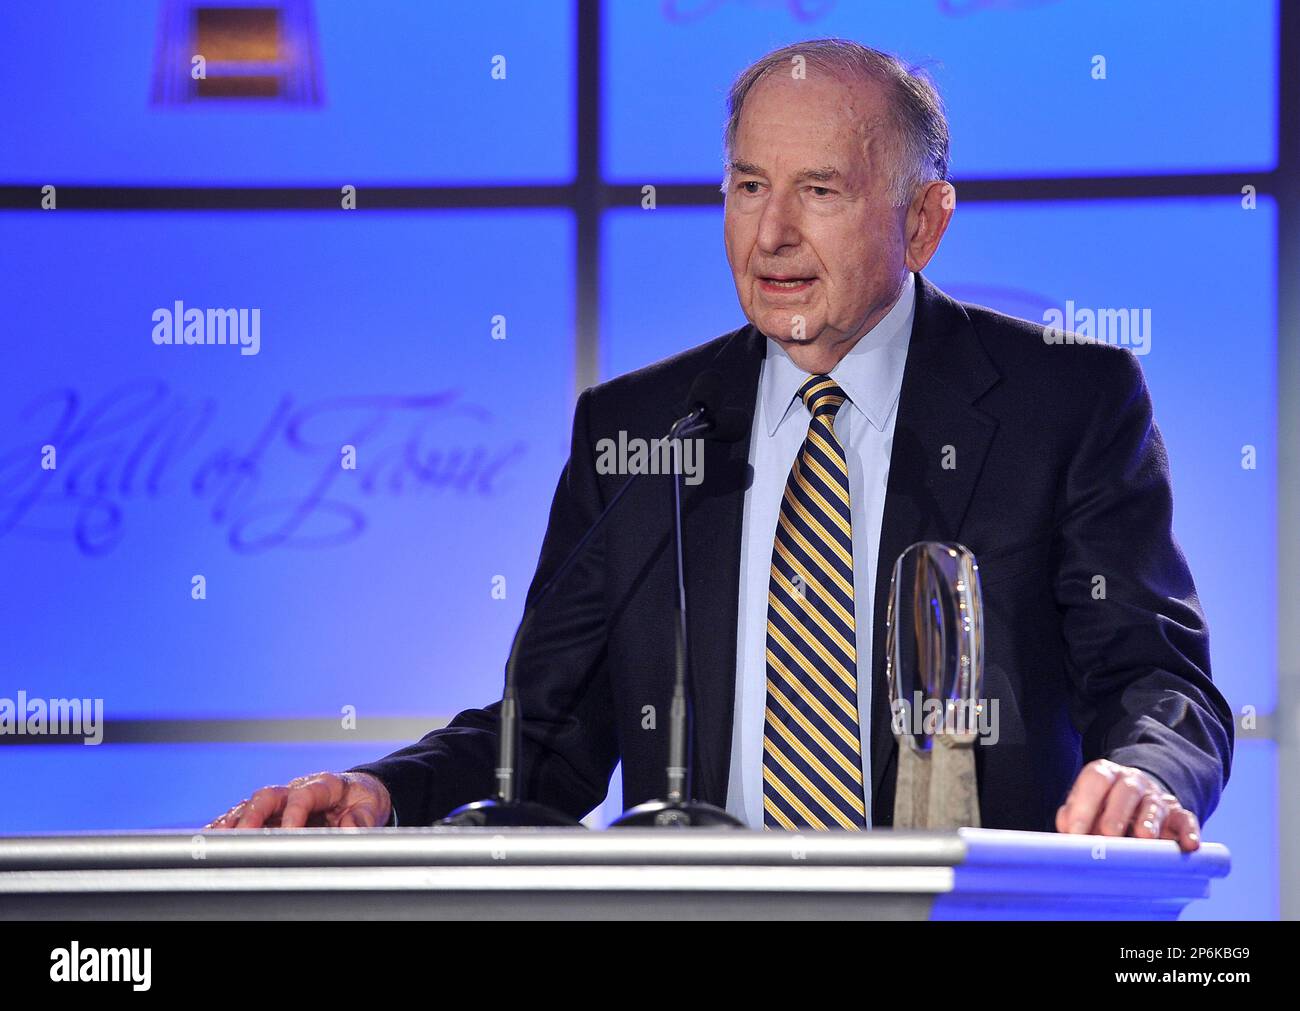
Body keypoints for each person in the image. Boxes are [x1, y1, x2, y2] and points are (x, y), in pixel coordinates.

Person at [208, 39, 1231, 850]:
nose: (769, 234)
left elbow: (1159, 681)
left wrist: (1143, 772)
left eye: (818, 192)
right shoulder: (637, 429)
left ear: (921, 224)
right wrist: (384, 792)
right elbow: (550, 742)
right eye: (747, 186)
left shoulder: (1069, 401)